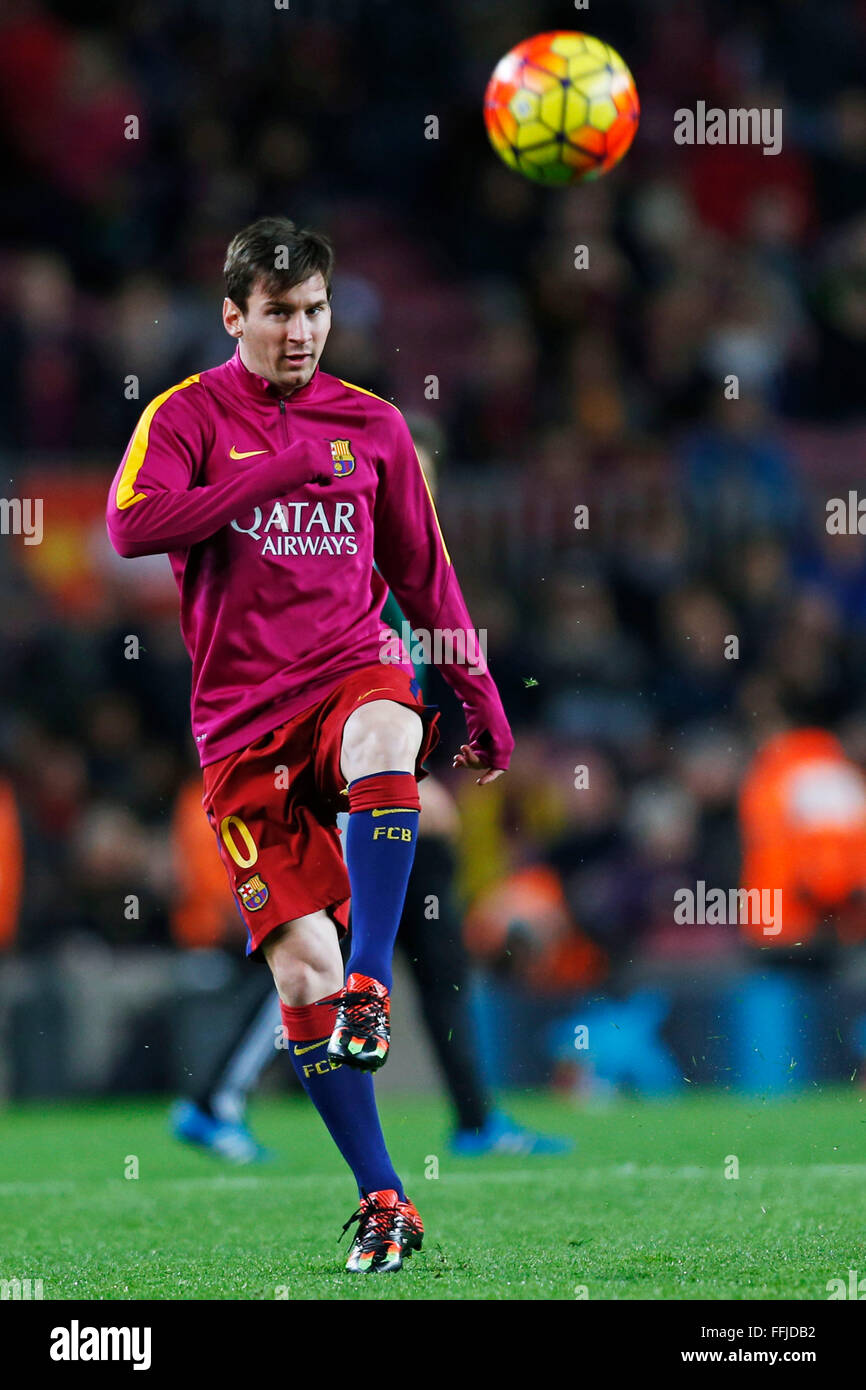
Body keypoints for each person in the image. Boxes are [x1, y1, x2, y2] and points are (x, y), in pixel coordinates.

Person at [105, 216, 514, 1273]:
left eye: (316, 310)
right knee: (298, 977)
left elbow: (424, 575)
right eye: (280, 313)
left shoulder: (371, 427)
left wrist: (471, 682)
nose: (301, 332)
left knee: (387, 727)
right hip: (240, 729)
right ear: (234, 314)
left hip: (348, 674)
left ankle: (373, 982)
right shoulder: (185, 415)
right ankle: (384, 1196)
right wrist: (264, 475)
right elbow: (131, 526)